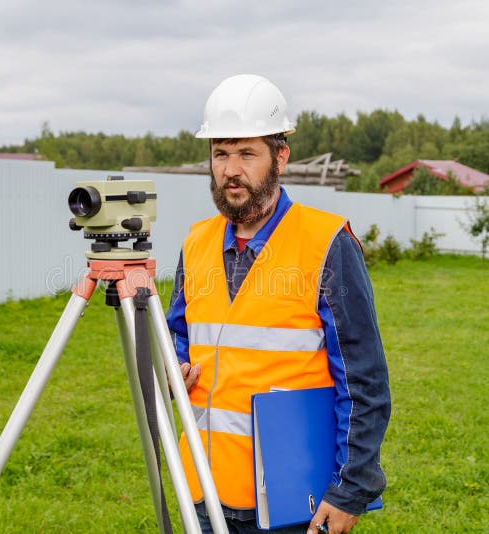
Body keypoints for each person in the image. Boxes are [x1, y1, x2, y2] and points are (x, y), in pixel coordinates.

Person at [166, 74, 391, 534]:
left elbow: (364, 380)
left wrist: (350, 489)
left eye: (247, 153)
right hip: (204, 490)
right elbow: (176, 336)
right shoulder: (195, 242)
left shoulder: (327, 242)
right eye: (221, 153)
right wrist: (173, 367)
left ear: (280, 157)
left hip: (292, 501)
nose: (231, 169)